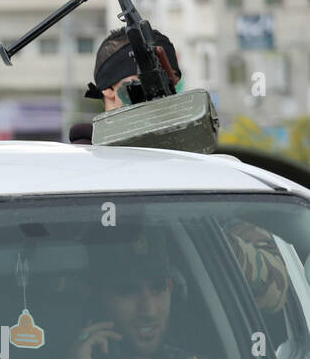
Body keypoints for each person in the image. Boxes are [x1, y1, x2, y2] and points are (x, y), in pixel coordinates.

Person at [69, 27, 288, 314]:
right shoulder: (72, 178)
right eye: (140, 83)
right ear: (107, 88)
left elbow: (274, 293)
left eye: (166, 85)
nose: (156, 95)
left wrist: (201, 217)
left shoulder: (206, 177)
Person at [61, 243, 238, 359]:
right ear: (97, 299)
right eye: (128, 291)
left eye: (158, 288)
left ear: (170, 289)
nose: (149, 311)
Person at [67, 26, 183, 145]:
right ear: (108, 88)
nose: (163, 92)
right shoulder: (85, 159)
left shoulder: (186, 154)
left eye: (171, 83)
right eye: (148, 81)